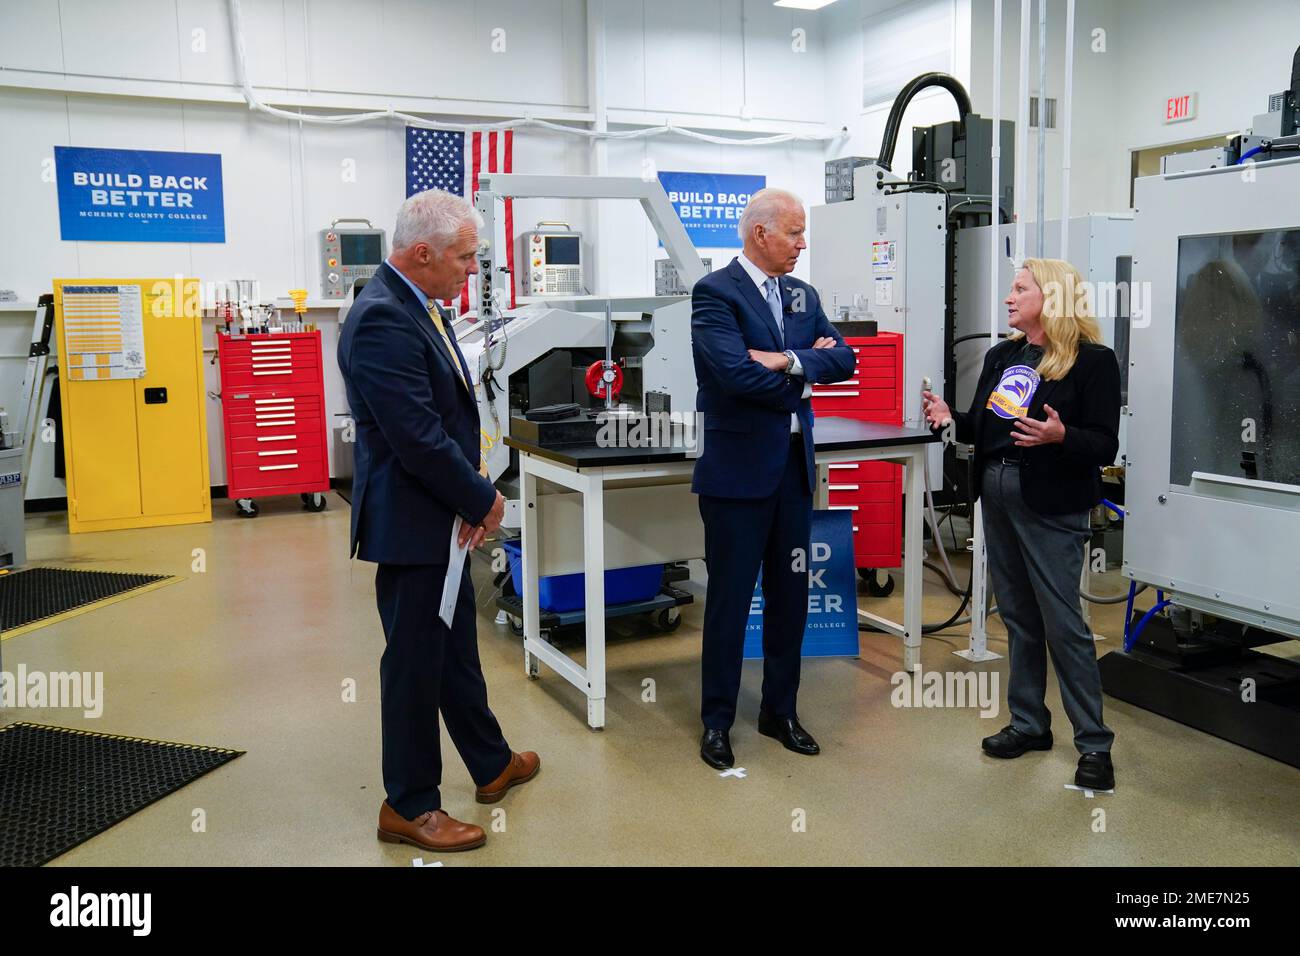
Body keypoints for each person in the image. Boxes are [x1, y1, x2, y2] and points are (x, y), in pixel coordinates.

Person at [338, 188, 539, 852]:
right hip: (413, 521)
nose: (470, 270)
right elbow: (417, 437)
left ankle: (490, 762)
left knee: (453, 651)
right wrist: (482, 499)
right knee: (415, 663)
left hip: (442, 511)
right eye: (463, 257)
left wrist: (470, 492)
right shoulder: (380, 319)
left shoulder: (421, 304)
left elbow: (446, 418)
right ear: (421, 253)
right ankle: (410, 806)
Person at [921, 258, 1121, 790]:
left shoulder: (1092, 361)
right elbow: (984, 428)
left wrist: (1062, 437)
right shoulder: (1003, 355)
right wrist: (950, 418)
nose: (1009, 298)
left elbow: (1104, 443)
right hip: (998, 495)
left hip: (1052, 501)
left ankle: (1095, 745)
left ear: (1051, 297)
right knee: (1018, 617)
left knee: (1064, 624)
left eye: (1020, 288)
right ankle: (1029, 723)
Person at [690, 188, 856, 770]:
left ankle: (779, 712)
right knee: (730, 602)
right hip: (735, 475)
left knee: (790, 597)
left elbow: (847, 359)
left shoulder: (801, 294)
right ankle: (717, 722)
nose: (802, 244)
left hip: (791, 472)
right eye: (794, 233)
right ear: (761, 234)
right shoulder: (715, 293)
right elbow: (734, 375)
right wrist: (807, 365)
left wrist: (785, 360)